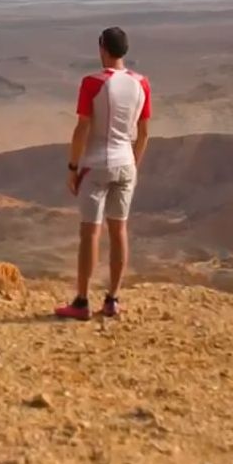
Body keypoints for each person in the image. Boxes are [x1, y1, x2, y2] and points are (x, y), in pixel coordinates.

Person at [55, 26, 151, 321]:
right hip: (126, 164)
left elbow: (83, 127)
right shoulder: (142, 83)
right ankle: (113, 299)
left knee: (90, 232)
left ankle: (82, 302)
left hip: (96, 164)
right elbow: (144, 132)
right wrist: (133, 163)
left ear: (102, 48)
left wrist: (72, 167)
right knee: (119, 230)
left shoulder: (92, 83)